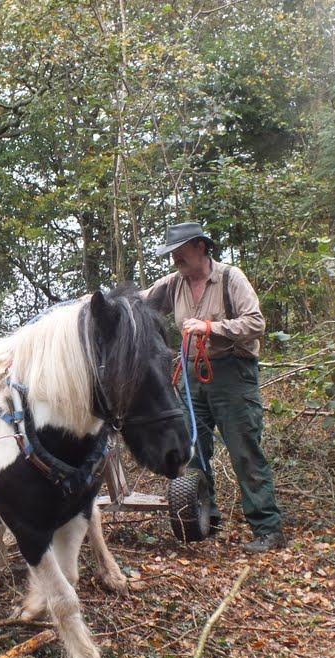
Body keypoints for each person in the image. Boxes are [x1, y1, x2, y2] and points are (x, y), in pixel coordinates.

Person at [143, 222, 287, 553]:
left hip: (233, 375)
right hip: (191, 377)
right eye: (172, 253)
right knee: (192, 451)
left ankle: (268, 529)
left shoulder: (229, 278)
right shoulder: (173, 284)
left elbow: (256, 323)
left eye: (180, 251)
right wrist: (97, 302)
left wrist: (212, 327)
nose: (175, 258)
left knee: (244, 451)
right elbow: (140, 301)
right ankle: (207, 517)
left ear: (200, 248)